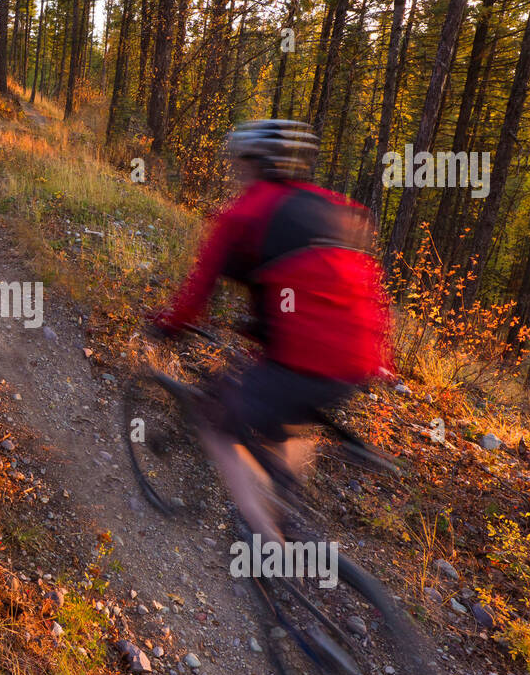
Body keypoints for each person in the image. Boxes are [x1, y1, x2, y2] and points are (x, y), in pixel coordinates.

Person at [150, 119, 393, 547]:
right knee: (285, 419)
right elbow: (345, 285)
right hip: (360, 361)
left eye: (241, 163)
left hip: (304, 359)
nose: (238, 171)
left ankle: (266, 545)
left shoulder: (244, 213)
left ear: (254, 164)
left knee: (217, 420)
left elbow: (198, 290)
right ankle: (283, 504)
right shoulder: (337, 207)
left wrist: (170, 324)